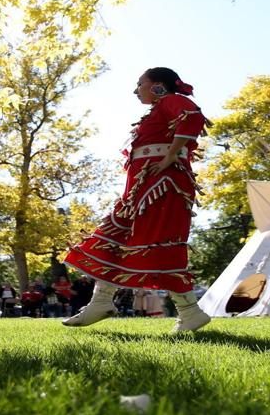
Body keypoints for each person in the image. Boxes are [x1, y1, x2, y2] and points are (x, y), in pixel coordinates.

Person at [62, 67, 211, 334]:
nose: (136, 90)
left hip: (163, 188)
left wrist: (169, 157)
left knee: (156, 244)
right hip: (141, 191)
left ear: (158, 86)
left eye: (140, 84)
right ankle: (101, 302)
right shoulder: (157, 110)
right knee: (116, 239)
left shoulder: (171, 101)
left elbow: (192, 117)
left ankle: (191, 312)